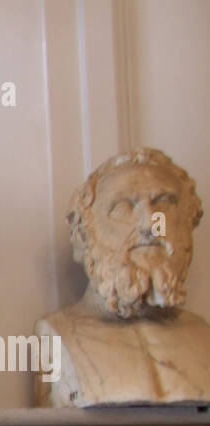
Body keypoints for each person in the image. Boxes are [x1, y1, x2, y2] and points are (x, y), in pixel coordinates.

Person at [37, 147, 210, 406]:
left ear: (188, 222)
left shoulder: (202, 334)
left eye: (164, 205)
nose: (150, 225)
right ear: (85, 236)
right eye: (122, 209)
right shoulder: (58, 335)